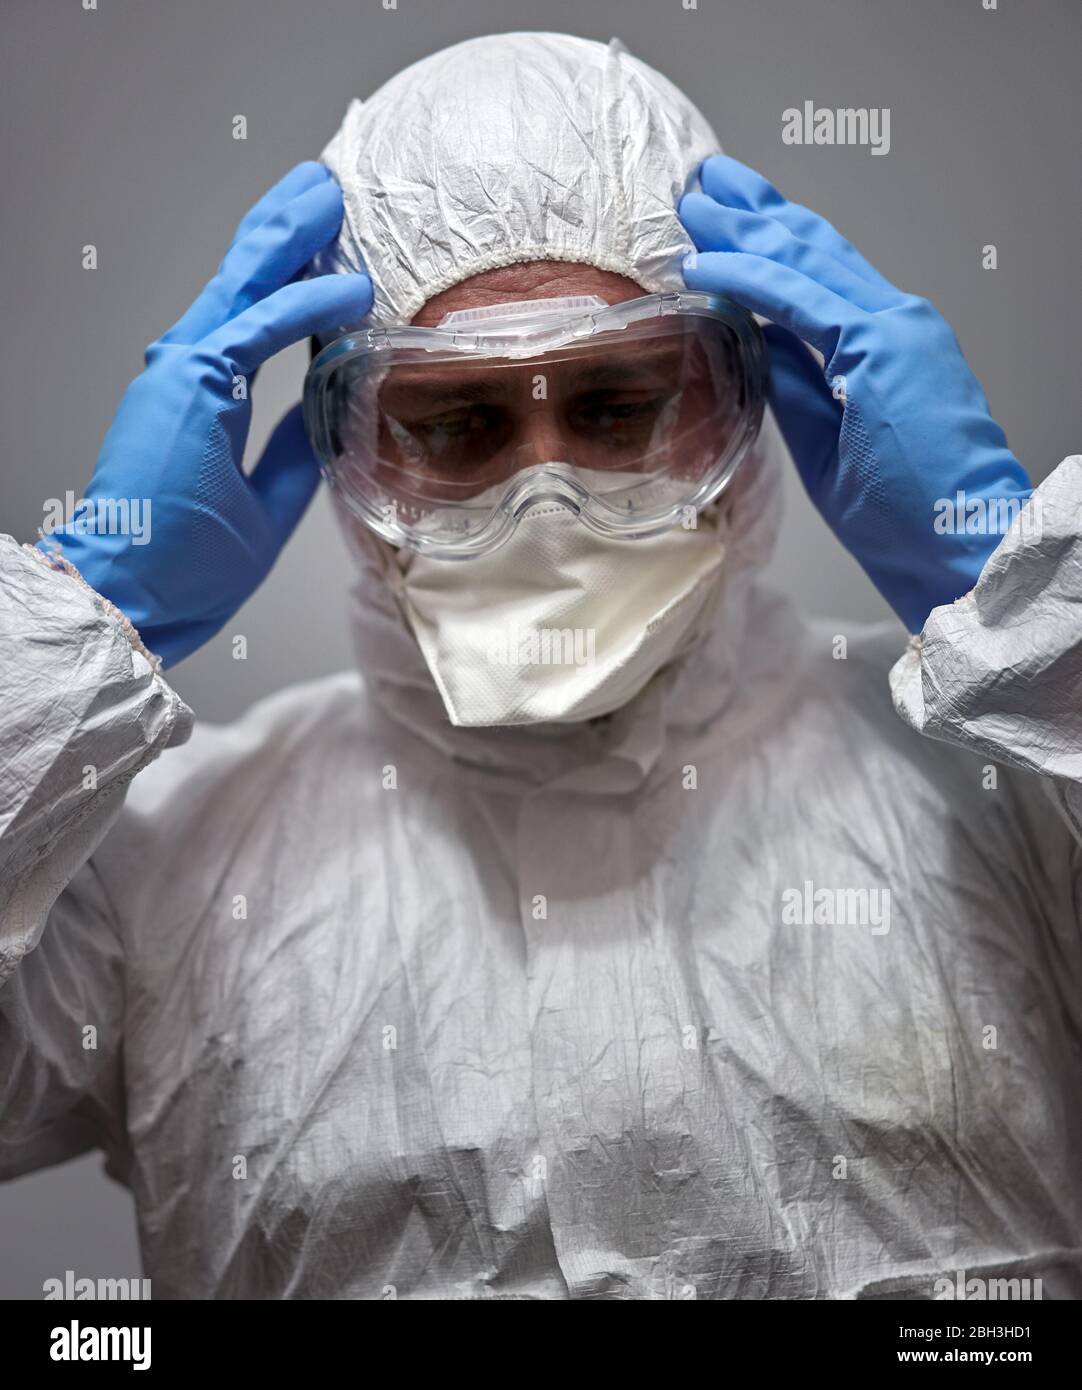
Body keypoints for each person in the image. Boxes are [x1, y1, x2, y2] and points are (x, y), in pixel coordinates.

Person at [2, 32, 1080, 1301]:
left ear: (746, 404)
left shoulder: (998, 800)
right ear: (349, 455)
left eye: (617, 404)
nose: (544, 492)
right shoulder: (164, 861)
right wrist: (76, 626)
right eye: (455, 423)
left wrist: (1030, 620)